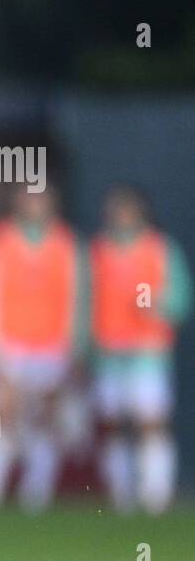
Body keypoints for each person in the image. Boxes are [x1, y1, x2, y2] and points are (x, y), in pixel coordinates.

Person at [0, 186, 89, 512]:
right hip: (10, 341)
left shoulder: (66, 243)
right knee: (1, 412)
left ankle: (37, 491)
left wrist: (77, 347)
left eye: (42, 199)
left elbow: (79, 298)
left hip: (51, 344)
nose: (35, 205)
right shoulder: (1, 239)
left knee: (46, 417)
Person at [91, 186, 191, 513]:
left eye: (128, 209)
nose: (122, 216)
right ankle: (122, 494)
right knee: (114, 424)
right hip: (109, 352)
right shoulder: (99, 251)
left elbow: (180, 299)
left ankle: (155, 495)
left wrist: (156, 306)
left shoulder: (159, 249)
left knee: (152, 421)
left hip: (148, 351)